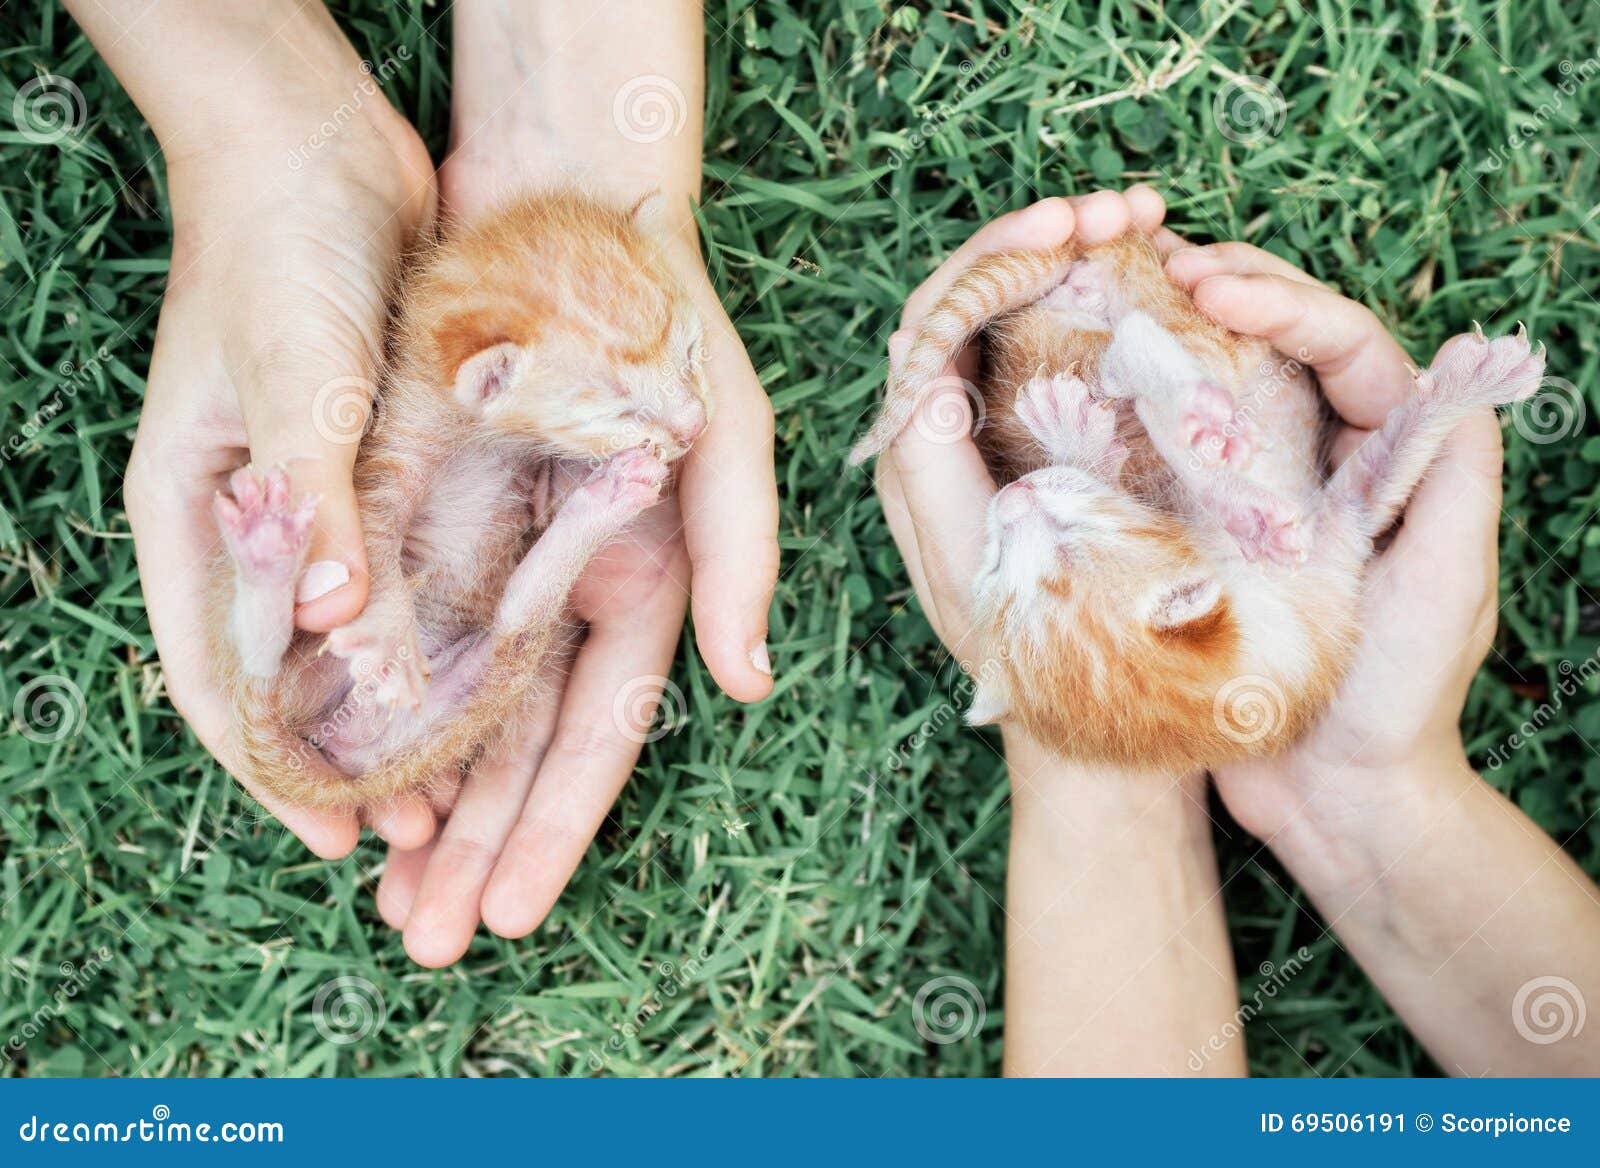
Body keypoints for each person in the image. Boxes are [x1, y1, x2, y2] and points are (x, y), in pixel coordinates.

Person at [67, 0, 778, 968]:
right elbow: (378, 518)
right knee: (469, 637)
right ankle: (273, 586)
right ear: (488, 378)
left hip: (415, 693)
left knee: (493, 655)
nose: (685, 422)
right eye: (620, 402)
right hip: (394, 671)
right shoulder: (436, 391)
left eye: (681, 354)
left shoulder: (518, 392)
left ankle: (270, 585)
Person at [878, 186, 1600, 1075]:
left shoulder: (1149, 622)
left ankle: (1120, 353)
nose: (1014, 509)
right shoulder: (1297, 652)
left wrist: (1074, 746)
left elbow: (1119, 533)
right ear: (1187, 605)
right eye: (1056, 554)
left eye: (998, 559)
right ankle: (1134, 358)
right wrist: (1442, 405)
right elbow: (1360, 502)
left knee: (1111, 444)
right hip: (1190, 447)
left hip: (1152, 429)